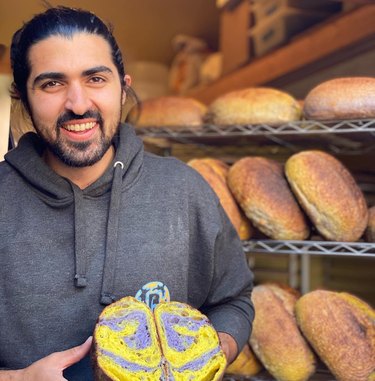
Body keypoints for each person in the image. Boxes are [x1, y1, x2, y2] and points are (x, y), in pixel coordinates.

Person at [0, 6, 254, 381]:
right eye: (52, 83)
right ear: (22, 96)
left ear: (123, 88)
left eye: (96, 79)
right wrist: (16, 379)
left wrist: (207, 360)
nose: (79, 104)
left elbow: (234, 301)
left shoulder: (185, 190)